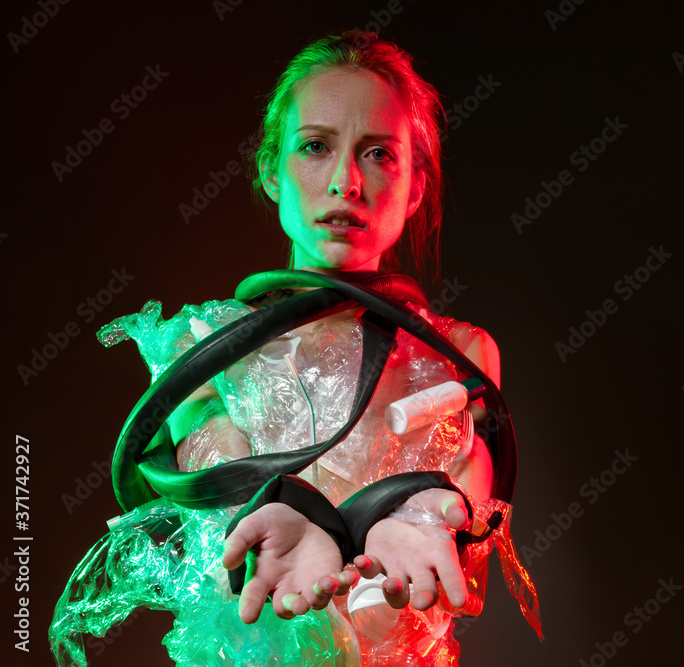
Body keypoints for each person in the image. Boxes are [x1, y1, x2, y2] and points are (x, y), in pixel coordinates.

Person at [50, 30, 539, 666]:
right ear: (271, 171)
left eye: (380, 155)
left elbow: (468, 482)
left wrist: (420, 516)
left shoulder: (460, 353)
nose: (346, 183)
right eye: (314, 147)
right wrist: (280, 511)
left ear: (416, 185)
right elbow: (210, 458)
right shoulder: (201, 343)